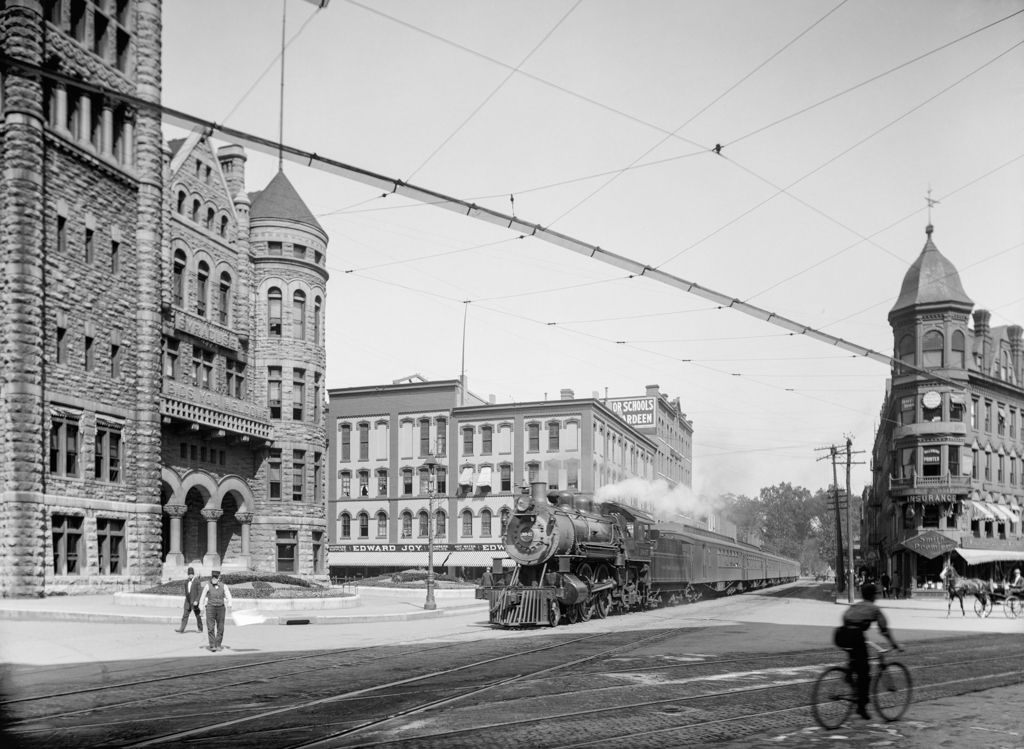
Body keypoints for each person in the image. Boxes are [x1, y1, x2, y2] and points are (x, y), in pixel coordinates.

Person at [839, 583, 900, 720]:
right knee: (864, 673)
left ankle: (849, 674)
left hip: (841, 635)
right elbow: (884, 629)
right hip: (856, 637)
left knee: (856, 659)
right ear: (873, 595)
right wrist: (894, 644)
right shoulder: (874, 609)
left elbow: (845, 618)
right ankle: (861, 707)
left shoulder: (855, 606)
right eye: (876, 594)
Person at [198, 570, 233, 652]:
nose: (214, 579)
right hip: (210, 608)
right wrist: (201, 609)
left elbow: (229, 596)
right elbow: (202, 598)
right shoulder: (207, 586)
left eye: (216, 577)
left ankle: (218, 644)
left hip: (221, 608)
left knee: (220, 628)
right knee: (210, 627)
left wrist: (229, 605)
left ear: (219, 578)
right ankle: (212, 645)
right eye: (213, 577)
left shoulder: (224, 586)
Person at [175, 567, 203, 634]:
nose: (190, 575)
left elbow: (200, 592)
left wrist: (197, 600)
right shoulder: (186, 582)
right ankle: (182, 629)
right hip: (188, 601)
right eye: (189, 574)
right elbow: (186, 591)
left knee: (198, 616)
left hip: (194, 602)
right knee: (185, 615)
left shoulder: (197, 581)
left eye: (191, 574)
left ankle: (200, 628)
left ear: (193, 574)